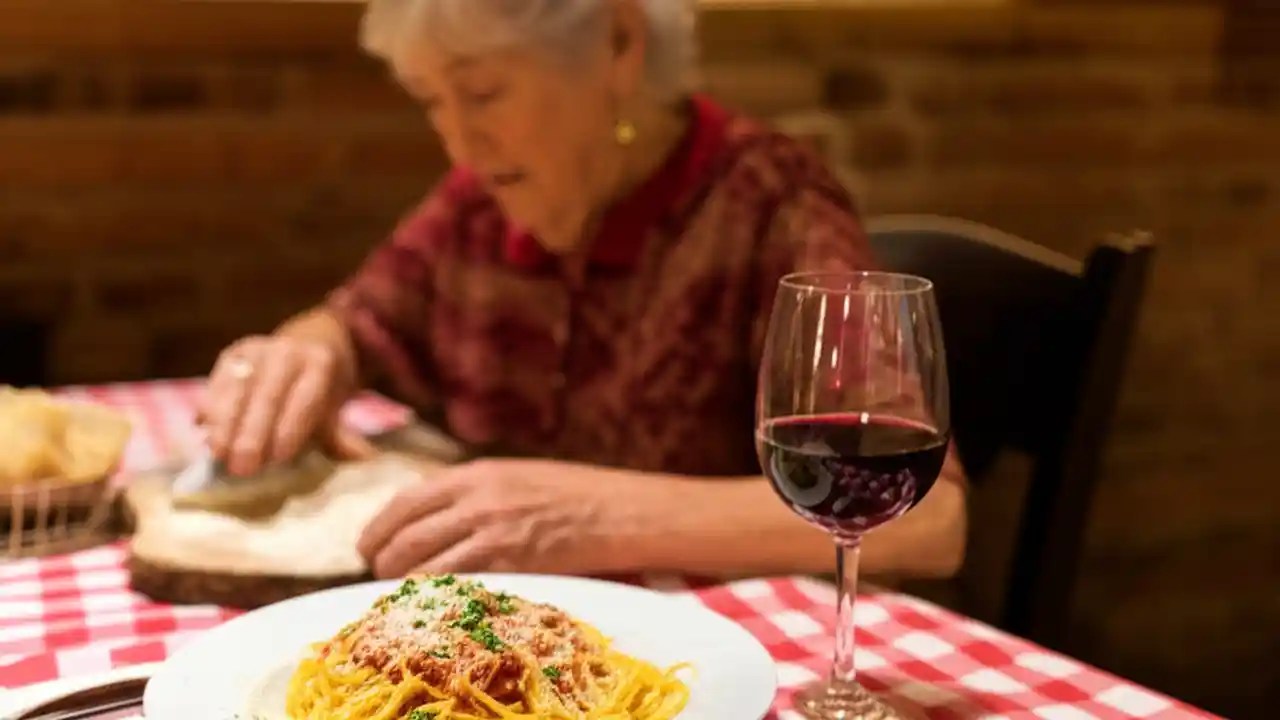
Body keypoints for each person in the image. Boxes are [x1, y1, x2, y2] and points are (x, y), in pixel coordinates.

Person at [198, 0, 968, 582]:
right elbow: (355, 322)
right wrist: (306, 355)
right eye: (431, 100)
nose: (457, 140)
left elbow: (930, 522)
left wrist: (597, 516)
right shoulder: (479, 200)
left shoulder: (767, 204)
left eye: (485, 92)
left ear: (619, 44)